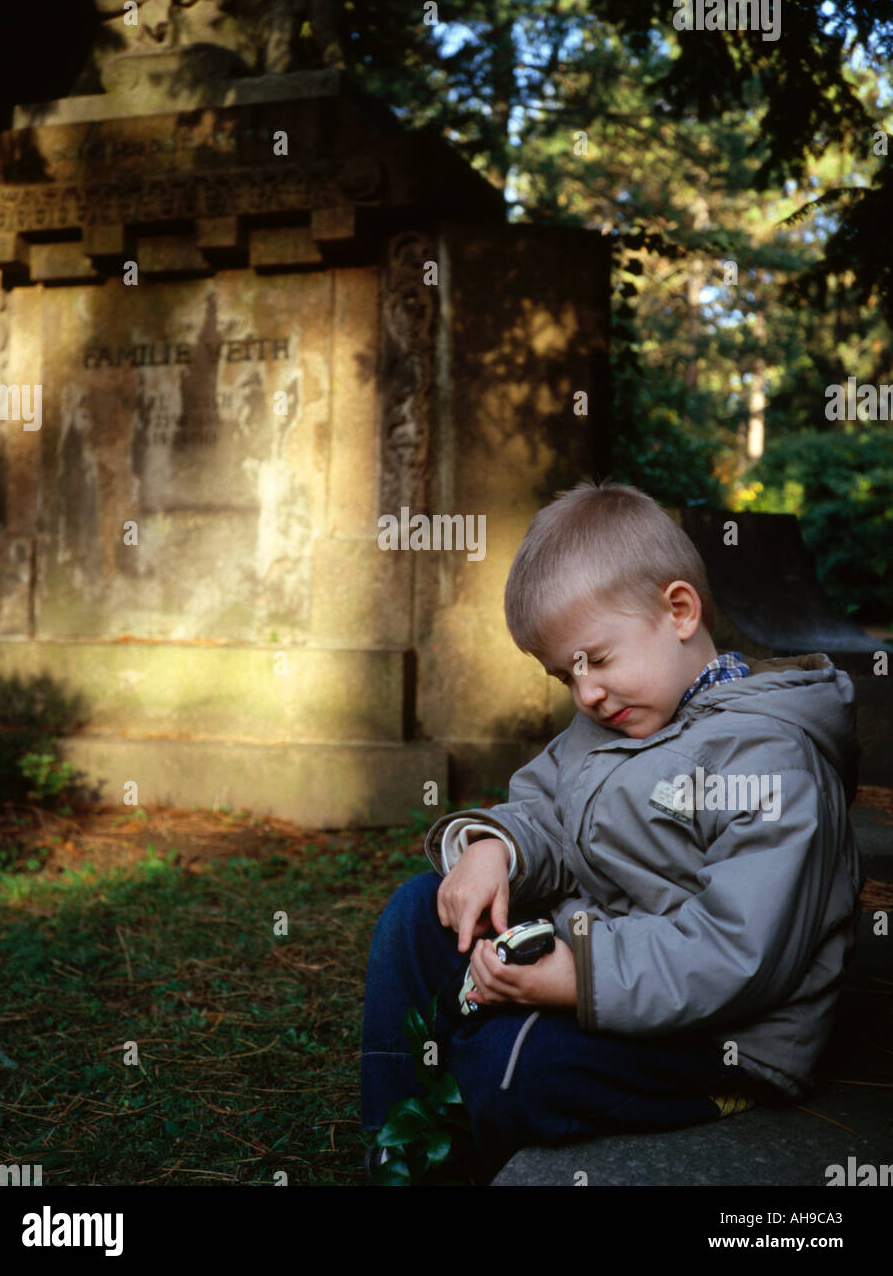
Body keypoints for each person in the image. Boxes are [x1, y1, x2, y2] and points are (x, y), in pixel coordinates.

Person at [361, 479, 863, 1182]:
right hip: (594, 971)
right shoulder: (610, 720)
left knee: (515, 1067)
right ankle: (396, 1144)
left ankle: (471, 1098)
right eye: (564, 676)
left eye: (596, 659)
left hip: (716, 1035)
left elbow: (739, 951)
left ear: (678, 610)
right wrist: (494, 849)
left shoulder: (767, 757)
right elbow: (545, 810)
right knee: (417, 910)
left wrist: (580, 976)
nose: (586, 693)